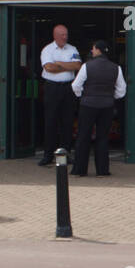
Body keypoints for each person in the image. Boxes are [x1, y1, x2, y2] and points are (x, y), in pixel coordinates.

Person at [71, 40, 127, 177]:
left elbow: (75, 86)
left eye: (93, 49)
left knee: (83, 136)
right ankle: (102, 170)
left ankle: (79, 170)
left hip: (88, 105)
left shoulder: (87, 66)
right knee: (102, 138)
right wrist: (110, 96)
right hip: (107, 106)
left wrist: (82, 96)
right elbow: (121, 91)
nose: (92, 51)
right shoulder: (116, 68)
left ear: (97, 50)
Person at [40, 24, 81, 165]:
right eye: (62, 35)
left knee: (67, 122)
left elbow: (77, 66)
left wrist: (59, 64)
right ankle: (48, 155)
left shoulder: (72, 49)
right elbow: (49, 68)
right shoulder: (47, 50)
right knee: (50, 122)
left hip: (68, 88)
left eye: (66, 34)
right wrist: (66, 66)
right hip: (52, 88)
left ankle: (66, 153)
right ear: (55, 36)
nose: (65, 37)